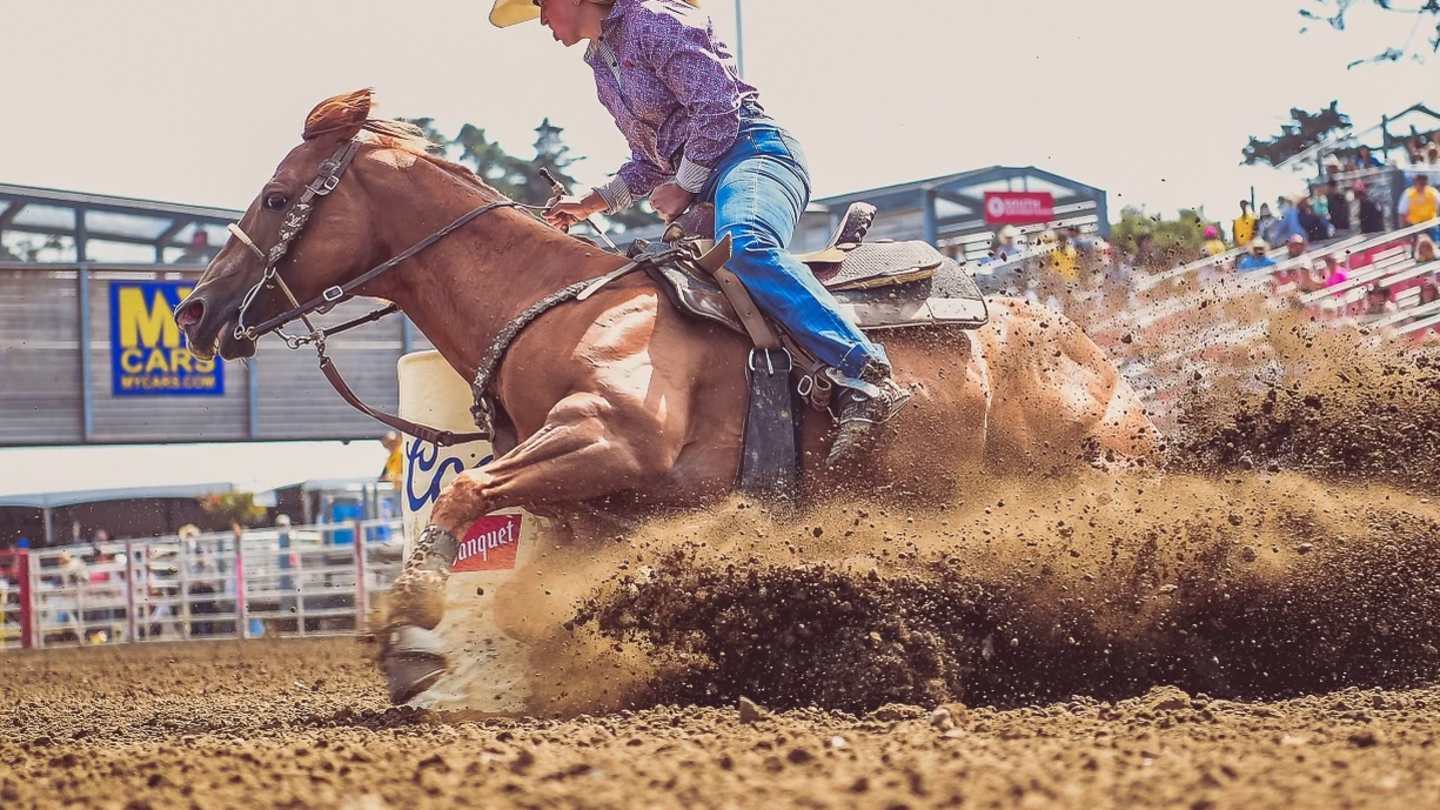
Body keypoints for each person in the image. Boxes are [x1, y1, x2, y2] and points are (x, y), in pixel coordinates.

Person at [519, 0, 908, 457]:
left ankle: (863, 371)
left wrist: (684, 185)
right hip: (710, 180)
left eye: (541, 2)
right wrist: (592, 201)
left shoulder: (655, 20)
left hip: (756, 154)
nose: (541, 17)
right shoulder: (603, 67)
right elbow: (649, 160)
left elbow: (719, 109)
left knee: (743, 245)